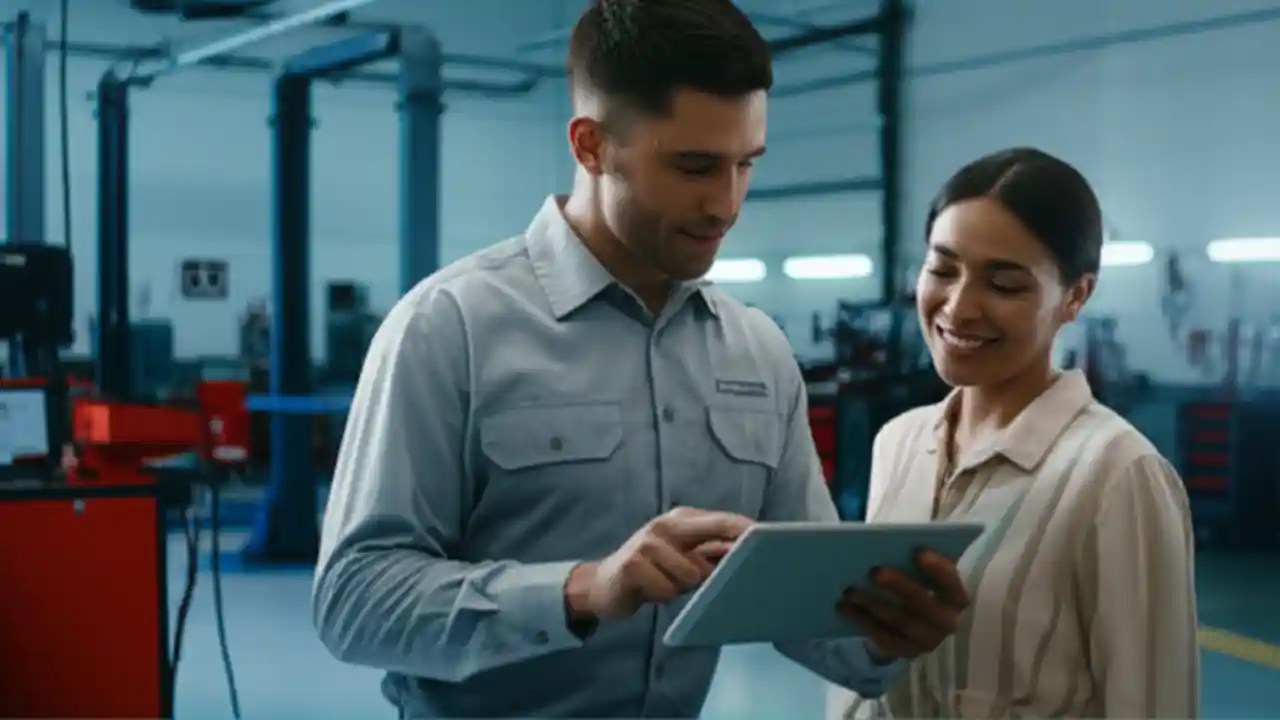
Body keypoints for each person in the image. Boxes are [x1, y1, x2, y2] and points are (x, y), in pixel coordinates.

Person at [312, 1, 971, 717]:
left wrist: (884, 635)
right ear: (591, 145)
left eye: (744, 165)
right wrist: (586, 590)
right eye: (694, 166)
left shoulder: (757, 351)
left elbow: (804, 612)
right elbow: (354, 599)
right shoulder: (450, 329)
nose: (726, 204)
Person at [843, 147, 1199, 718]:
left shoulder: (1115, 475)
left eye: (1004, 285)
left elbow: (1154, 704)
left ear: (1075, 296)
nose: (959, 308)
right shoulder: (900, 443)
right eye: (942, 269)